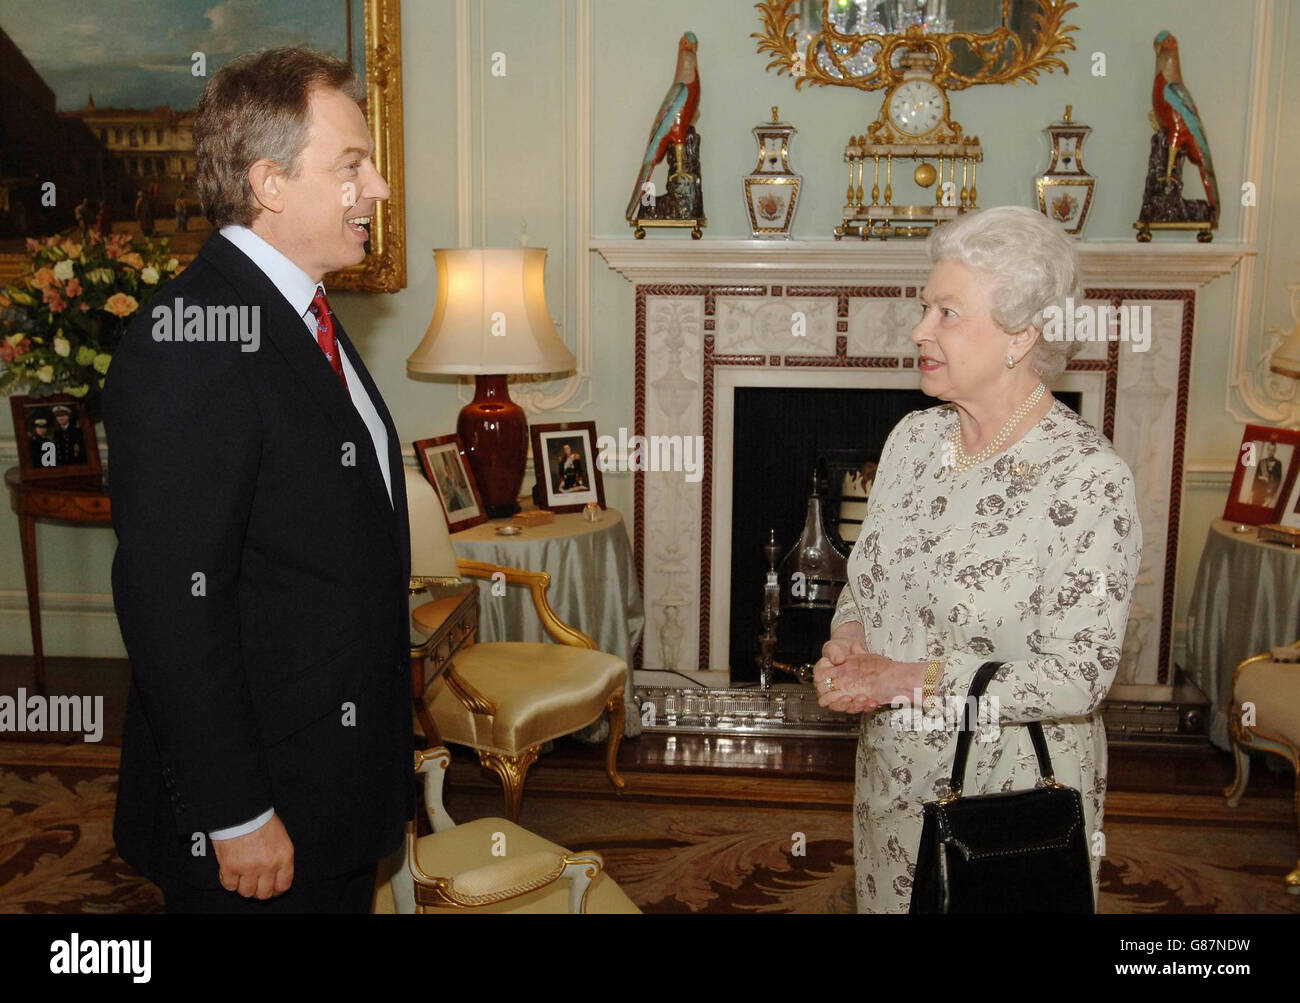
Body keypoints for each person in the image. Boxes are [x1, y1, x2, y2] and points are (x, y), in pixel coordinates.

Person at [104, 47, 405, 914]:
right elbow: (172, 603)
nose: (377, 188)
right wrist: (234, 812)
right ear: (270, 183)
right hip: (256, 822)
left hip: (332, 792)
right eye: (351, 166)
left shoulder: (302, 312)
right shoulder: (190, 341)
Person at [814, 205, 1142, 913]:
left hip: (1008, 799)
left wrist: (905, 677)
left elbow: (1078, 676)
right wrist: (850, 643)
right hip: (891, 780)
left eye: (947, 313)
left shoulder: (1088, 478)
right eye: (925, 306)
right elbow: (868, 581)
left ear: (1021, 336)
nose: (919, 329)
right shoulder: (911, 440)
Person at [1249, 441, 1282, 508]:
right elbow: (1256, 477)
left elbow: (1278, 480)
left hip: (1268, 492)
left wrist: (1272, 495)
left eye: (1272, 450)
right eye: (1269, 449)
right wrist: (1252, 490)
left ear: (1275, 451)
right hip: (1258, 490)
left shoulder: (1278, 463)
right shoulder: (1262, 462)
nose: (1270, 452)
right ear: (1267, 450)